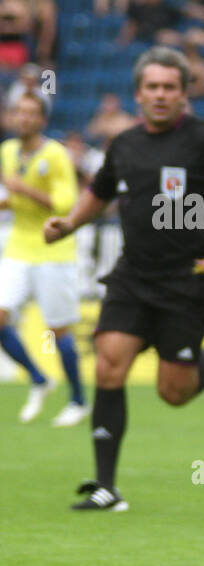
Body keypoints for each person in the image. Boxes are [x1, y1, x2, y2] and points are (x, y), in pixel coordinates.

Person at [43, 46, 204, 511]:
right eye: (152, 87)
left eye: (170, 87)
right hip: (132, 277)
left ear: (185, 93)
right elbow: (99, 191)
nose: (161, 95)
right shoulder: (124, 144)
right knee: (108, 364)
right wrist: (69, 222)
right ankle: (106, 487)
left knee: (175, 393)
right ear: (138, 94)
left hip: (186, 282)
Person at [0, 93, 84, 425]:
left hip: (54, 248)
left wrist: (23, 190)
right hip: (18, 246)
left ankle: (78, 400)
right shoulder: (7, 151)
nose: (23, 118)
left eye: (30, 113)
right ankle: (39, 378)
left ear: (42, 120)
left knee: (59, 330)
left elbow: (66, 204)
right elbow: (10, 197)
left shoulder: (56, 155)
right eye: (18, 111)